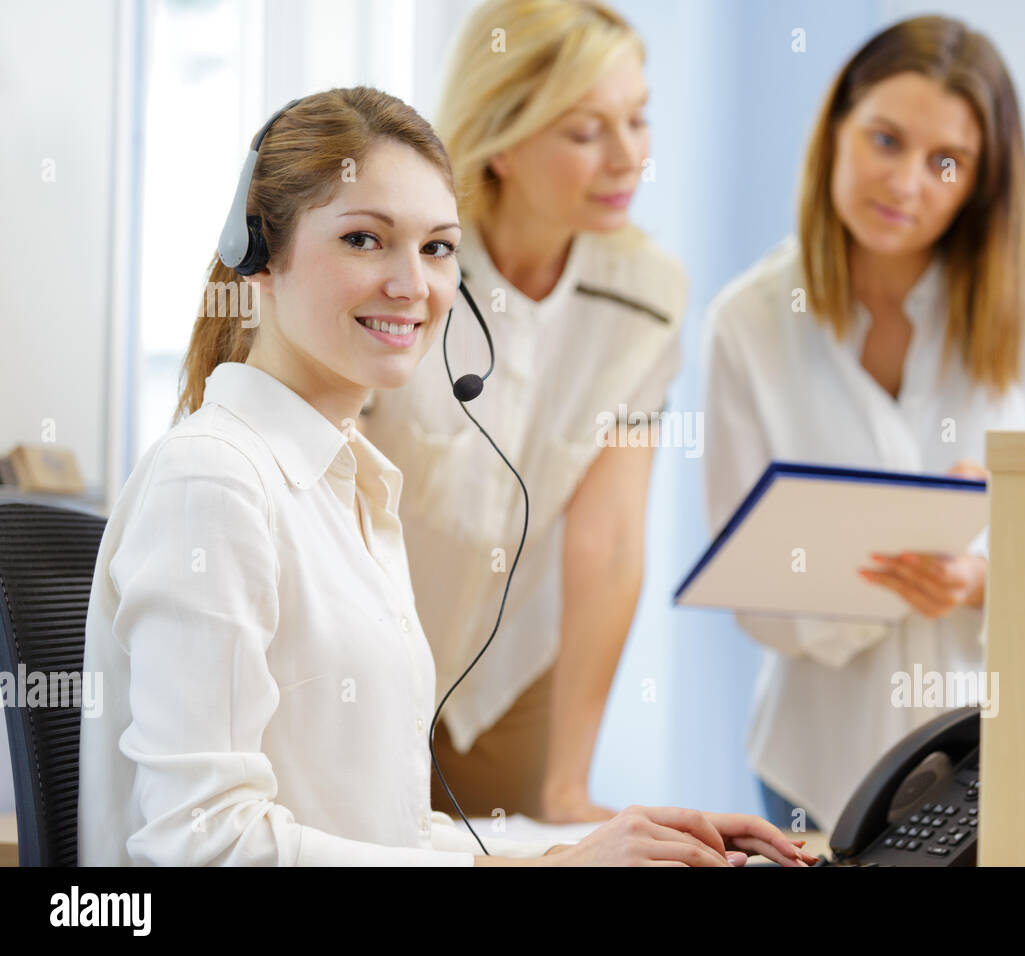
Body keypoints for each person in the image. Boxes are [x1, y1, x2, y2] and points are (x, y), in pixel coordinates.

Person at [78, 85, 813, 867]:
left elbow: (383, 828)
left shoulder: (351, 489)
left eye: (436, 248)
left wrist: (604, 847)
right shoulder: (214, 484)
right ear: (258, 257)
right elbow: (203, 843)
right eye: (364, 240)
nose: (413, 285)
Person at [702, 16, 1025, 832]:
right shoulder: (747, 321)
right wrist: (885, 581)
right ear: (835, 131)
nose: (905, 184)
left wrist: (987, 575)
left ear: (980, 181)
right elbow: (751, 594)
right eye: (885, 140)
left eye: (945, 162)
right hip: (812, 768)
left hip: (1003, 758)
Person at [359, 0, 686, 824]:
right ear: (501, 138)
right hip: (352, 657)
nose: (628, 158)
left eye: (638, 121)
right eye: (585, 132)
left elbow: (608, 542)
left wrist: (570, 784)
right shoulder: (405, 267)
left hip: (507, 676)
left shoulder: (647, 299)